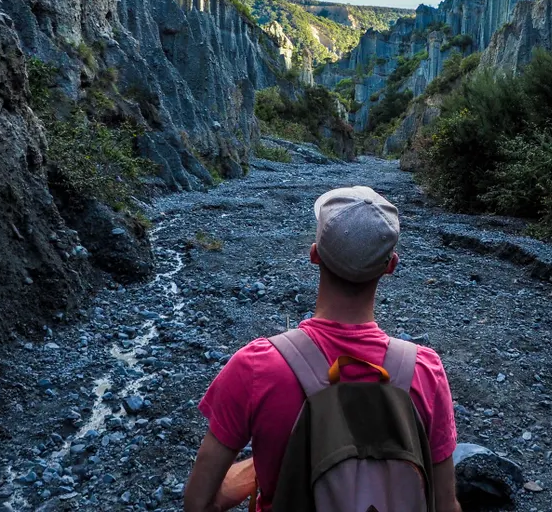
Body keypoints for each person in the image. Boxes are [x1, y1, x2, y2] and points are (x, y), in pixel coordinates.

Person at [183, 186, 462, 512]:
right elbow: (446, 505)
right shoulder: (426, 370)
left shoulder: (255, 366)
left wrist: (261, 466)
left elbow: (198, 504)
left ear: (314, 254)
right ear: (391, 266)